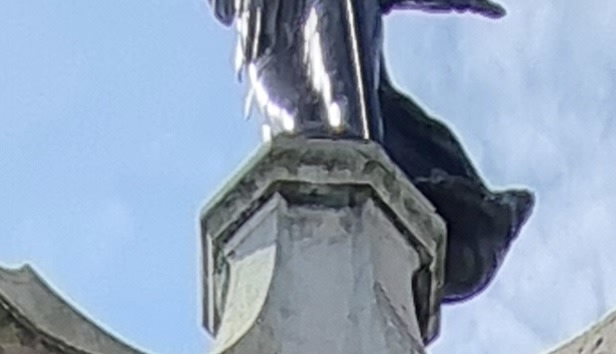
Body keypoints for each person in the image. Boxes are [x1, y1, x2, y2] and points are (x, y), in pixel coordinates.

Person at [209, 0, 534, 302]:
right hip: (271, 35)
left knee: (350, 136)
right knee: (313, 139)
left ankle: (432, 223)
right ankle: (428, 219)